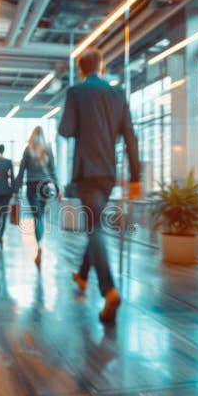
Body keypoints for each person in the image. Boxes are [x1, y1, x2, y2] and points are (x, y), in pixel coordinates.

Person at [58, 47, 141, 323]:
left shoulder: (76, 92)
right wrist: (136, 178)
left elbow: (66, 130)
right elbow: (130, 137)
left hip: (86, 173)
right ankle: (83, 276)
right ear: (102, 67)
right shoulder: (117, 96)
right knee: (96, 226)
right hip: (108, 175)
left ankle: (109, 290)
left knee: (94, 228)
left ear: (82, 70)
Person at [13, 126, 59, 267]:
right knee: (40, 216)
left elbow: (21, 172)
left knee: (36, 216)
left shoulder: (28, 150)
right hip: (45, 187)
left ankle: (39, 245)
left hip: (32, 187)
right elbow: (52, 171)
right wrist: (58, 189)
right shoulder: (48, 149)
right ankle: (40, 242)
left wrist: (16, 191)